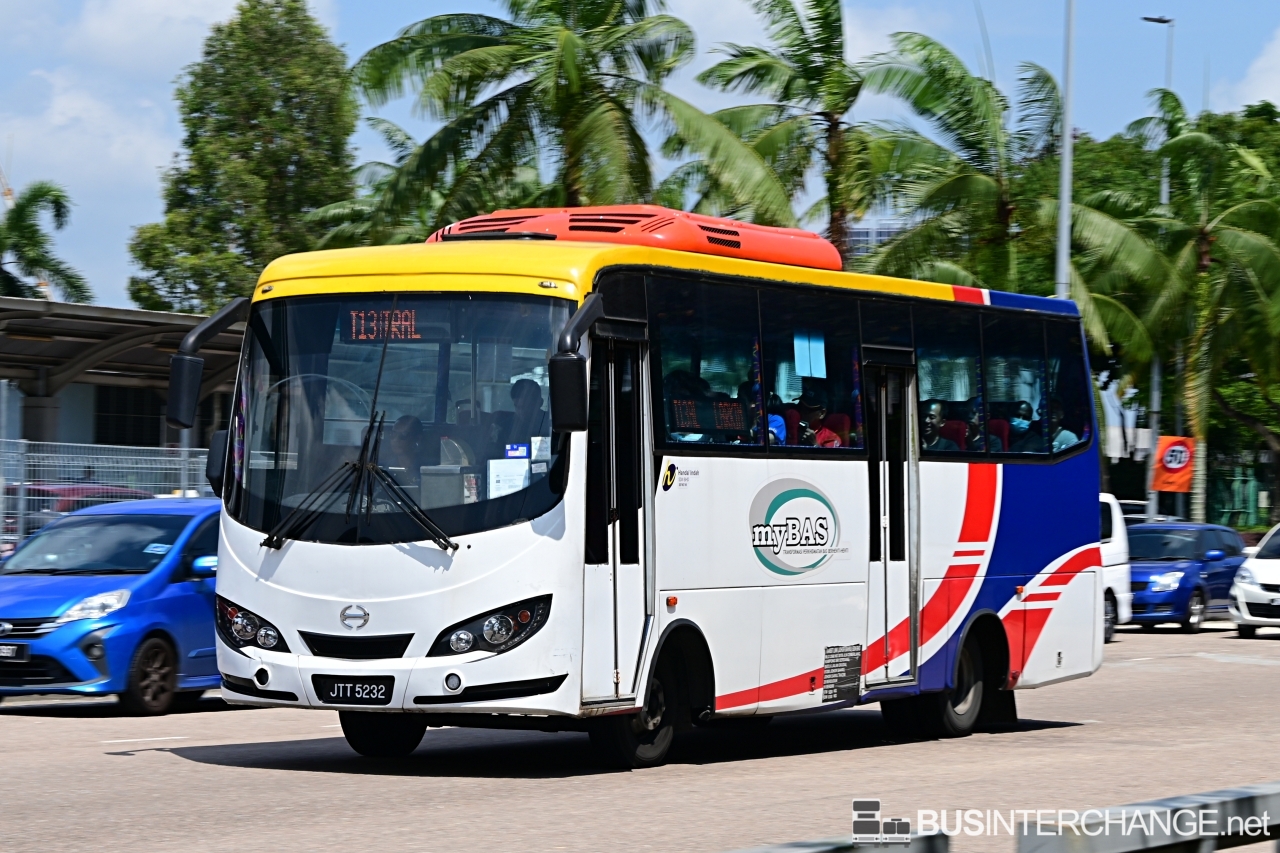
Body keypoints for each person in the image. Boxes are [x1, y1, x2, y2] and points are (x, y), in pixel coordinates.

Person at [385, 415, 426, 487]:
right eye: (393, 434)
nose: (395, 440)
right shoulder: (384, 469)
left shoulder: (426, 469)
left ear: (417, 439)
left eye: (403, 435)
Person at [506, 378, 549, 446]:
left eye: (527, 406)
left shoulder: (550, 425)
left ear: (540, 403)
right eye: (517, 407)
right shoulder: (507, 426)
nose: (521, 412)